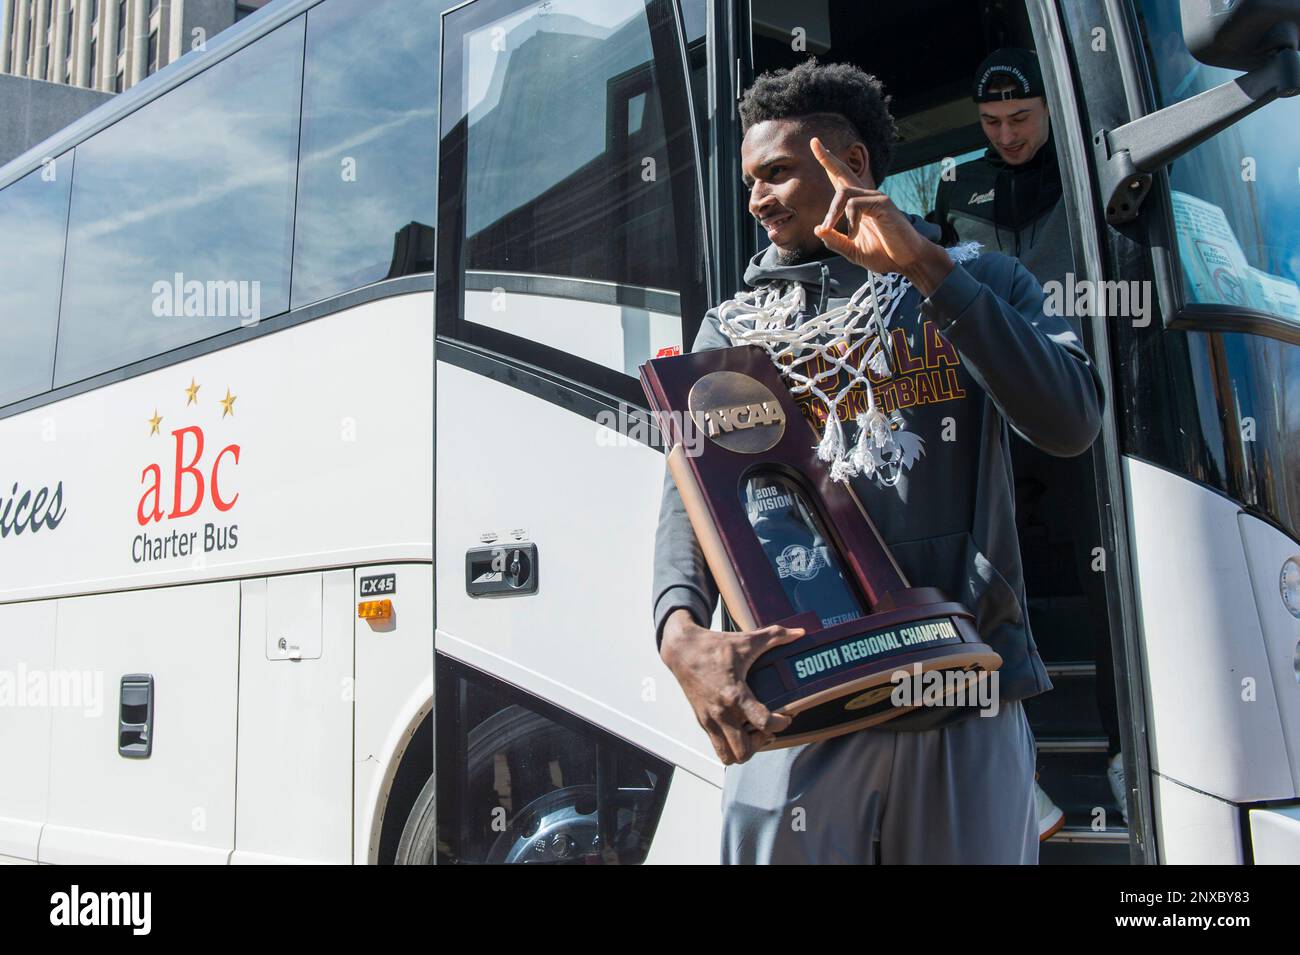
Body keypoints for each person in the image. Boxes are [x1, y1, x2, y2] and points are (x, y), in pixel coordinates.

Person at [651, 58, 1105, 864]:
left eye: (778, 173)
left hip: (962, 694)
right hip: (800, 699)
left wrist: (926, 270)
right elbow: (690, 496)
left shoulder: (983, 279)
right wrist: (676, 627)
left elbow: (1070, 422)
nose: (755, 198)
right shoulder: (733, 329)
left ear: (851, 163)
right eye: (751, 179)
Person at [931, 48, 1129, 831]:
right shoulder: (955, 186)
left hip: (1068, 395)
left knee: (1103, 584)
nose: (1008, 135)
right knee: (973, 580)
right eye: (991, 122)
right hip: (985, 406)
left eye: (1021, 118)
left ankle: (1123, 749)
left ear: (1051, 109)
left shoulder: (1088, 168)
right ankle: (1020, 774)